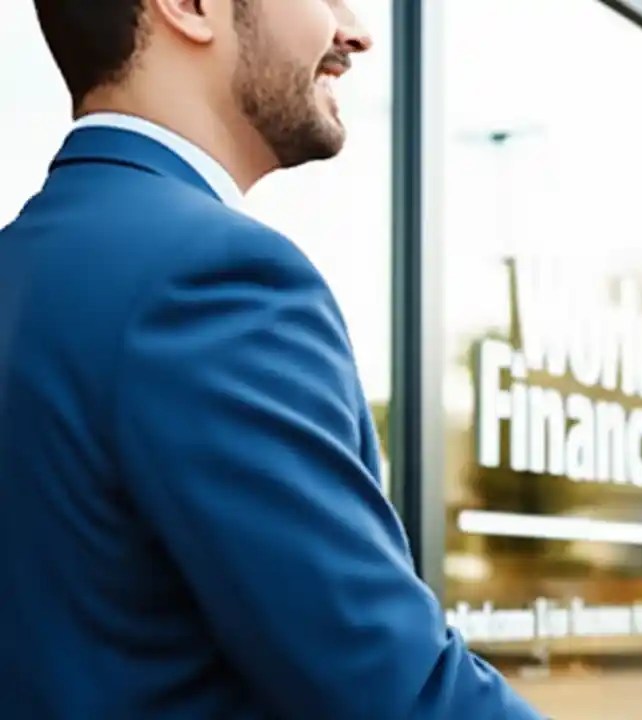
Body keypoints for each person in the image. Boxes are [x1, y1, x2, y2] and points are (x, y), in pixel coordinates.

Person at [0, 1, 541, 718]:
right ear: (190, 7)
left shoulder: (26, 270)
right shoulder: (213, 276)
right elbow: (394, 697)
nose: (356, 31)